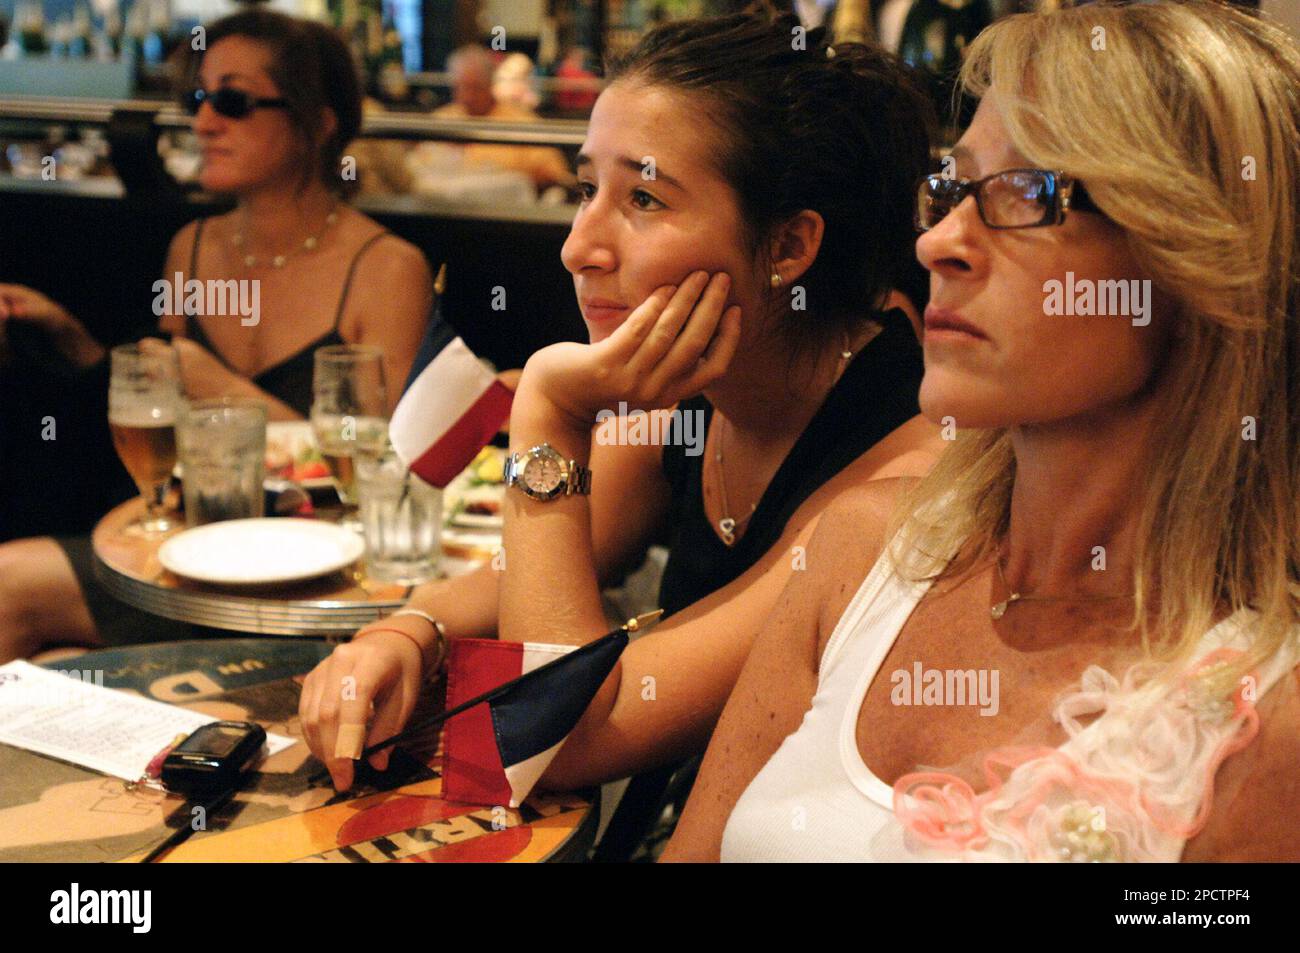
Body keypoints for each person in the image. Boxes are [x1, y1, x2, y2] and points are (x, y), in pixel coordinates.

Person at [663, 0, 1300, 862]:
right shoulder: (858, 552)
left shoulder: (1268, 725)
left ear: (1199, 260)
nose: (939, 245)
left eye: (1031, 192)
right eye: (953, 188)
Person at [300, 12, 944, 855]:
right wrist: (405, 630)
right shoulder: (697, 383)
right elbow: (538, 565)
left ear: (788, 245)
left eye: (642, 199)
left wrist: (551, 413)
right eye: (584, 190)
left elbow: (562, 738)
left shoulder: (904, 470)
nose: (579, 247)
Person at [0, 9, 432, 660]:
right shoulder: (192, 247)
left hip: (322, 586)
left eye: (232, 101)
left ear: (317, 124)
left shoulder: (387, 269)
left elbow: (386, 474)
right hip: (194, 560)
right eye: (200, 98)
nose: (203, 122)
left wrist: (225, 390)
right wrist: (73, 344)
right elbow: (166, 422)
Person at [430, 44, 574, 191]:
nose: (466, 96)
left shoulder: (523, 122)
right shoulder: (442, 120)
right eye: (459, 88)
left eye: (475, 88)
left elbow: (553, 175)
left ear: (490, 84)